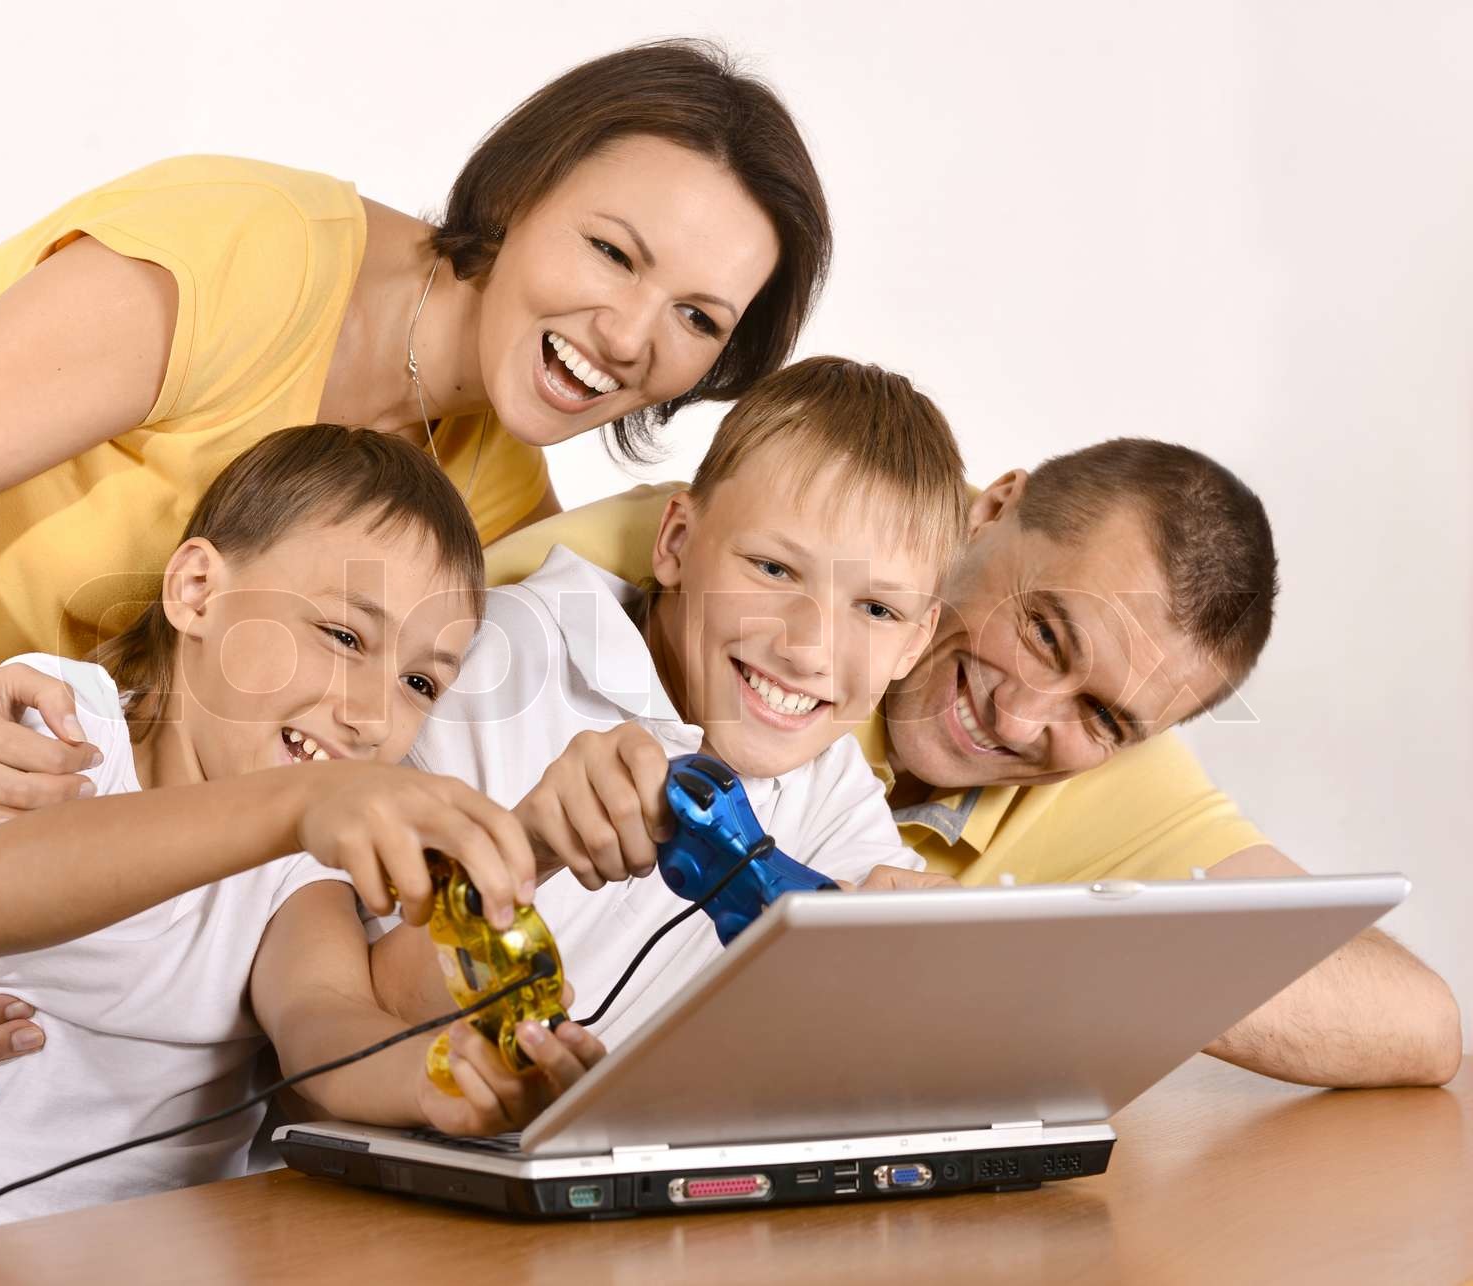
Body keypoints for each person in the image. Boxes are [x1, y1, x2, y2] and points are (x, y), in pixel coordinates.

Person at [0, 37, 832, 864]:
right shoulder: (247, 259)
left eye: (698, 318)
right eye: (613, 253)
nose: (627, 336)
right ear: (521, 190)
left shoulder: (492, 487)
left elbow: (658, 615)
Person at [465, 439, 1462, 1088]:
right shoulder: (741, 535)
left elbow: (1419, 1021)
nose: (1019, 716)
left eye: (1102, 716)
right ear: (991, 509)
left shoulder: (1103, 760)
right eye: (1043, 631)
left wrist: (1035, 954)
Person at [0, 425, 602, 1245]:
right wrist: (297, 803)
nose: (372, 715)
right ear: (197, 592)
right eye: (344, 637)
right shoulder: (68, 720)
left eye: (418, 682)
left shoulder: (297, 871)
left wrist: (441, 1079)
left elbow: (324, 1024)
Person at [371, 357, 970, 1051]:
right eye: (774, 569)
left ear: (914, 645)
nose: (809, 649)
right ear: (677, 541)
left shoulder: (837, 794)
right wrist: (528, 849)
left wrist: (941, 968)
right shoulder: (487, 662)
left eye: (877, 609)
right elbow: (349, 1014)